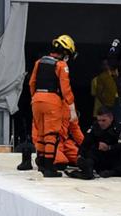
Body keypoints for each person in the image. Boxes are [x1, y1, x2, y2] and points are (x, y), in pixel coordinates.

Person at [28, 34, 79, 178]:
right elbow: (66, 88)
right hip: (52, 101)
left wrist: (35, 98)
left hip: (37, 100)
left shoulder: (39, 62)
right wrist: (71, 105)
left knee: (41, 134)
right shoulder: (61, 65)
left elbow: (32, 83)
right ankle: (49, 168)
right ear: (65, 52)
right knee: (51, 135)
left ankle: (42, 163)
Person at [68, 107, 121, 179]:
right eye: (99, 120)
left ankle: (113, 172)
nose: (101, 123)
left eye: (104, 120)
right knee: (90, 152)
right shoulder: (95, 126)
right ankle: (87, 170)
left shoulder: (120, 128)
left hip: (115, 157)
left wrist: (109, 147)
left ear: (111, 118)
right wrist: (80, 154)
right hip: (100, 157)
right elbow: (86, 143)